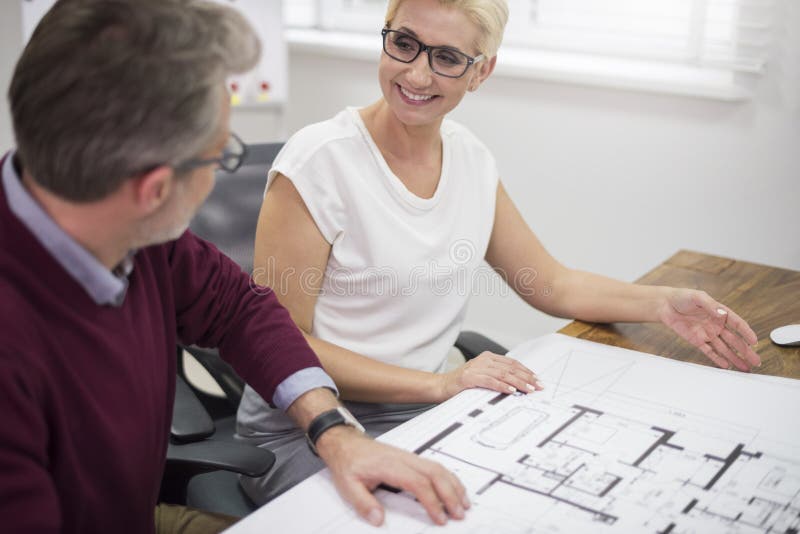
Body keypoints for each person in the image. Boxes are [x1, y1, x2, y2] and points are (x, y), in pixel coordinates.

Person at [237, 0, 762, 506]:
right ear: (386, 36)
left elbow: (550, 283)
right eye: (405, 44)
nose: (417, 76)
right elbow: (284, 343)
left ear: (481, 72)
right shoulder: (318, 162)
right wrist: (439, 384)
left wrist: (661, 303)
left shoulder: (469, 158)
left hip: (420, 413)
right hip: (311, 427)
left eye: (446, 58)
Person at [0, 1, 472, 532]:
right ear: (153, 190)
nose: (223, 167)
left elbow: (239, 310)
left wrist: (335, 431)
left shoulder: (136, 233)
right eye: (219, 155)